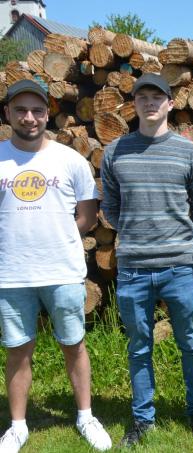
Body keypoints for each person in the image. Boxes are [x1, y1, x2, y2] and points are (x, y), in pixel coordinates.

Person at [100, 73, 193, 447]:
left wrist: (176, 234)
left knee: (190, 343)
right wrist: (135, 232)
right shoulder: (115, 152)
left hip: (178, 267)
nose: (150, 103)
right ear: (134, 104)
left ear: (170, 103)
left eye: (157, 97)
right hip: (133, 268)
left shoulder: (190, 153)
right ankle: (142, 418)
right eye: (142, 97)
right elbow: (110, 207)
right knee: (138, 346)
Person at [0, 80, 112, 453]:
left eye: (36, 110)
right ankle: (18, 426)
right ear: (8, 114)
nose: (29, 117)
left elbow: (87, 217)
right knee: (17, 350)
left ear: (48, 114)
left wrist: (54, 236)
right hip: (11, 275)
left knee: (74, 345)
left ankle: (85, 416)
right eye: (20, 110)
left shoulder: (71, 160)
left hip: (62, 271)